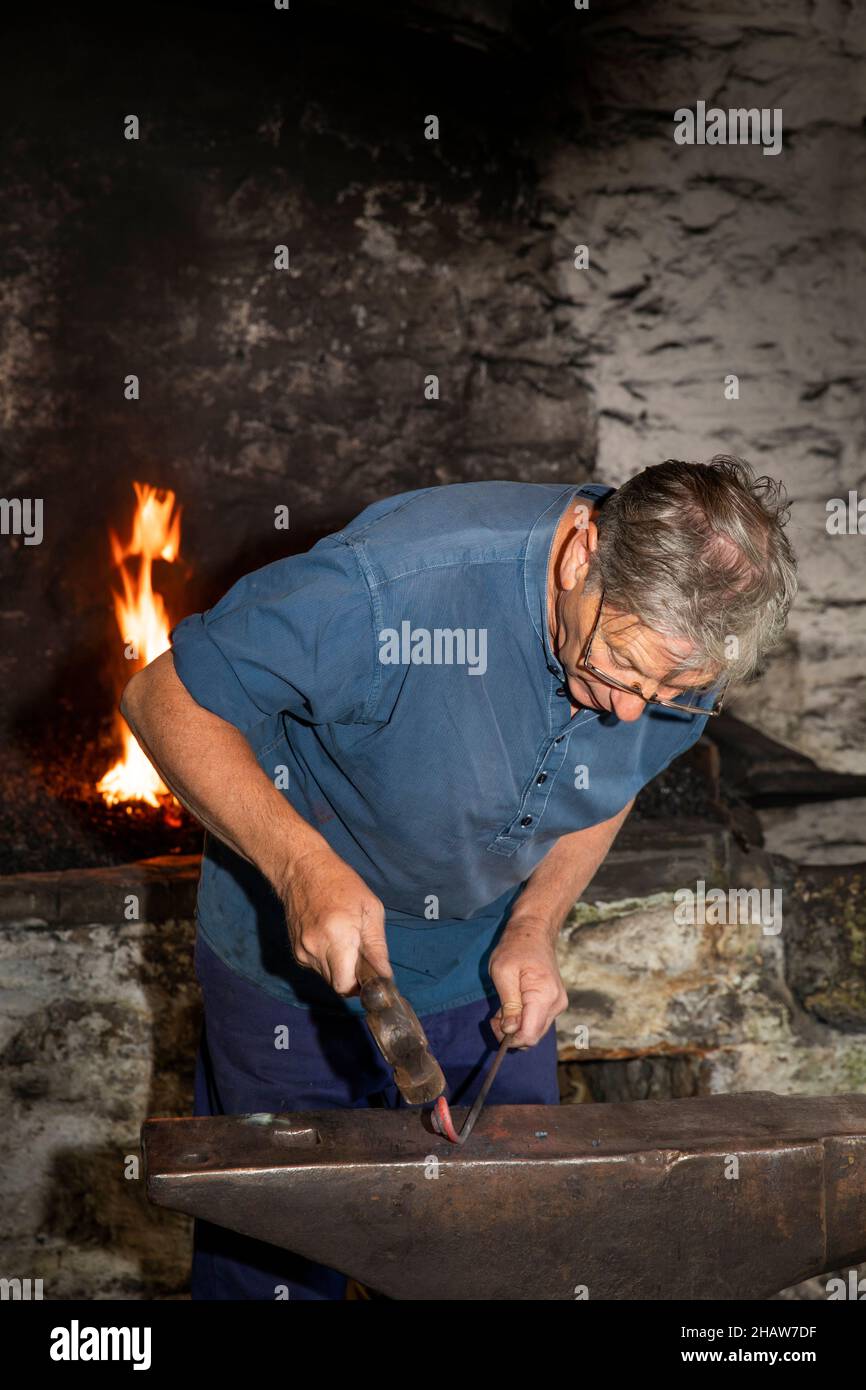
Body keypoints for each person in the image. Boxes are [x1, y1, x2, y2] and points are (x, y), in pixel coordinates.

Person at [121, 455, 797, 1299]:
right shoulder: (394, 584)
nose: (632, 707)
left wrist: (536, 924)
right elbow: (162, 699)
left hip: (481, 980)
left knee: (512, 1248)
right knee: (276, 1265)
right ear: (580, 552)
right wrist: (300, 866)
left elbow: (607, 779)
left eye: (674, 688)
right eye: (621, 667)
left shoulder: (686, 634)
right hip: (285, 967)